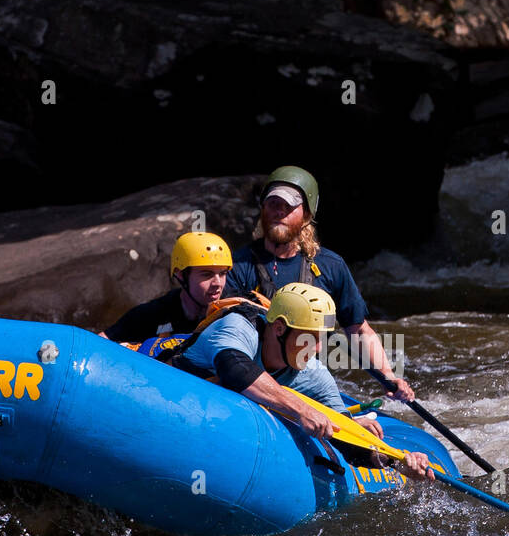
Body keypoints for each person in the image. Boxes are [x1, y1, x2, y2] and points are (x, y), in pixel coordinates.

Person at [168, 281, 434, 481]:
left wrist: (397, 461)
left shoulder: (314, 375)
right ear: (280, 329)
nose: (317, 348)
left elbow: (345, 439)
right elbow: (234, 370)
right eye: (310, 338)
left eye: (321, 338)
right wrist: (302, 409)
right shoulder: (239, 327)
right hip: (173, 394)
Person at [225, 166, 415, 402]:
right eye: (273, 204)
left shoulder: (330, 266)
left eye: (289, 207)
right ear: (263, 208)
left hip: (305, 378)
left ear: (306, 216)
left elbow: (358, 330)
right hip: (251, 375)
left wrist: (388, 375)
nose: (279, 213)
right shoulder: (236, 265)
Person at [99, 231, 232, 344]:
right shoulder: (153, 314)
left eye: (222, 273)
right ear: (180, 275)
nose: (218, 283)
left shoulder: (232, 310)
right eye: (207, 274)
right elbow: (101, 341)